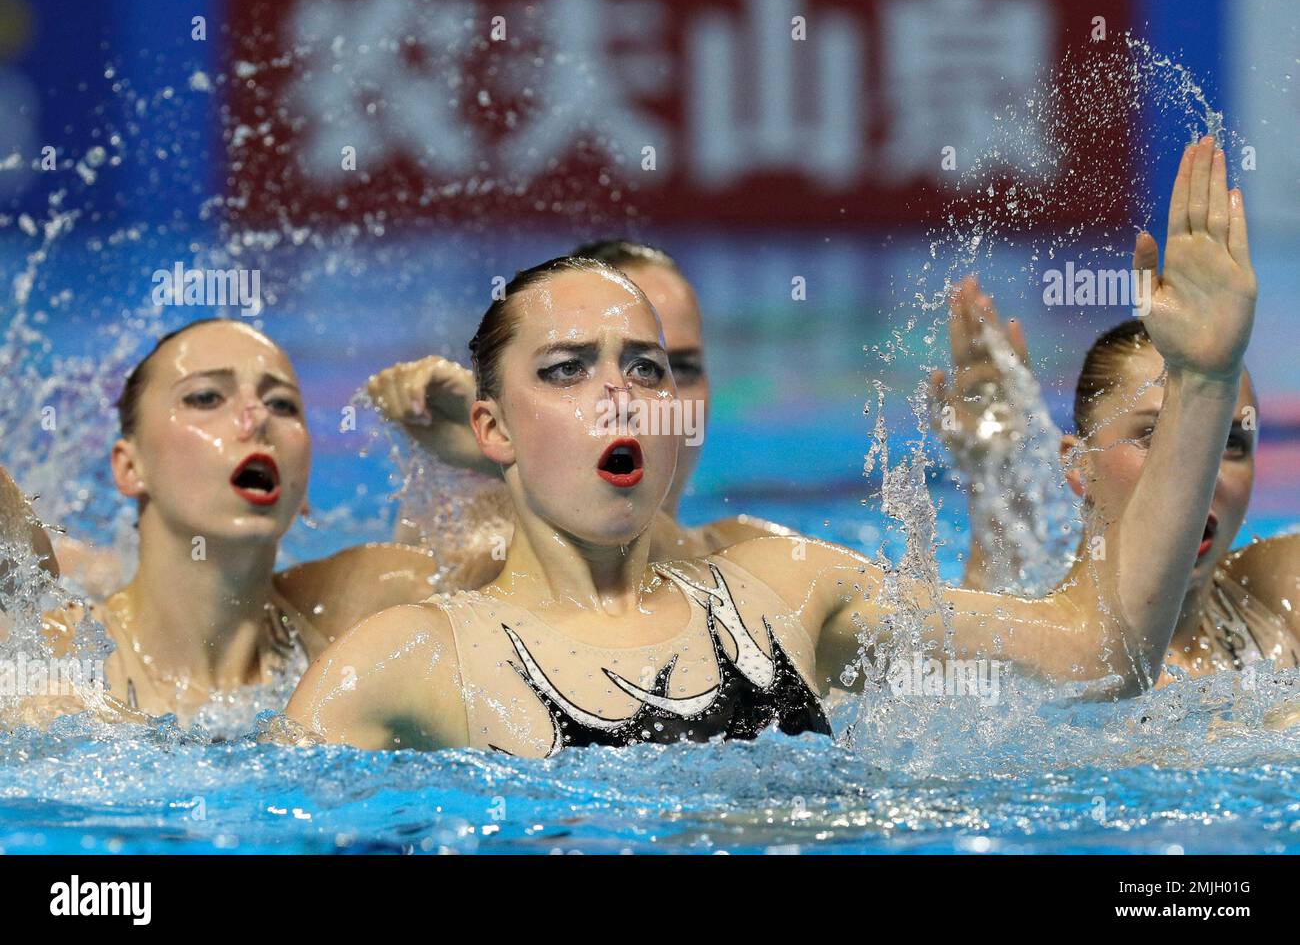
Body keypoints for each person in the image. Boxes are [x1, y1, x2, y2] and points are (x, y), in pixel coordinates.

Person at [283, 136, 1260, 755]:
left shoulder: (785, 586)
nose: (620, 389)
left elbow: (1101, 651)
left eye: (649, 368)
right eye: (569, 367)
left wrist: (1206, 382)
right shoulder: (408, 660)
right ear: (490, 427)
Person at [1, 319, 449, 725]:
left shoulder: (358, 608)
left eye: (282, 404)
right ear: (129, 467)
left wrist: (471, 458)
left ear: (303, 485)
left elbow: (508, 599)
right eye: (206, 397)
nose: (256, 418)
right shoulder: (51, 657)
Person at [932, 276, 1300, 680]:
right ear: (1079, 464)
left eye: (1230, 441)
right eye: (1157, 434)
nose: (1200, 470)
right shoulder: (1028, 654)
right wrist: (997, 488)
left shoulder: (1279, 593)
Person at [368, 239, 794, 564]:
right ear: (493, 427)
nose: (627, 399)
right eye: (573, 367)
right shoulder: (475, 556)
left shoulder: (765, 564)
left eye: (662, 367)